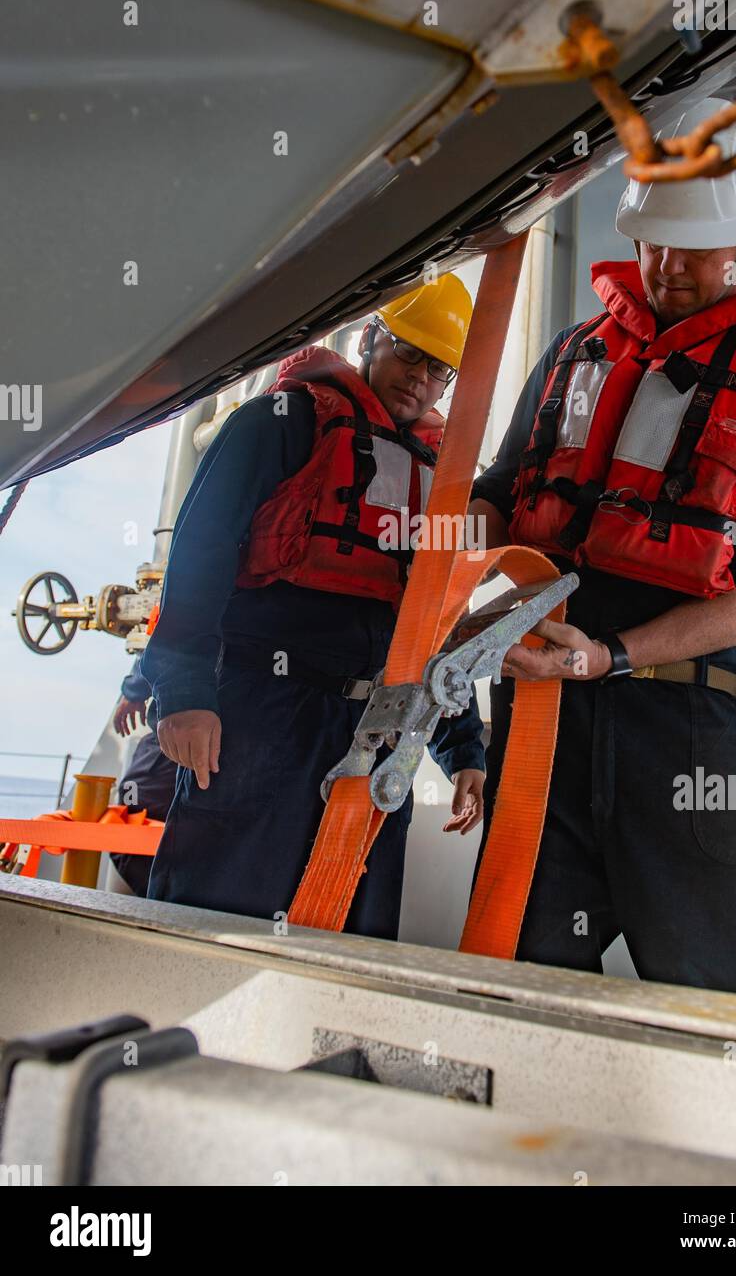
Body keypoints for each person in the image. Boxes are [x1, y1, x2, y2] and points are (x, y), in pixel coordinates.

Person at [468, 98, 736, 1003]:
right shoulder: (572, 352)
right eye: (652, 242)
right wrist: (470, 611)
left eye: (696, 246)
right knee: (512, 983)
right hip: (539, 729)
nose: (668, 267)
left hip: (690, 739)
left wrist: (610, 656)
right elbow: (492, 497)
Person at [142, 275, 485, 934]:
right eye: (409, 353)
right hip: (260, 716)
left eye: (438, 370)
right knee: (217, 918)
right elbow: (199, 554)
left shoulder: (438, 477)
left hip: (380, 734)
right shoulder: (286, 421)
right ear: (369, 339)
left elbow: (431, 627)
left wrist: (463, 749)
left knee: (354, 934)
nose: (420, 379)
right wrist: (183, 693)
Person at [109, 658, 177, 896]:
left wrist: (135, 689)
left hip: (179, 734)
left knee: (131, 815)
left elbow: (173, 630)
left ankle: (164, 910)